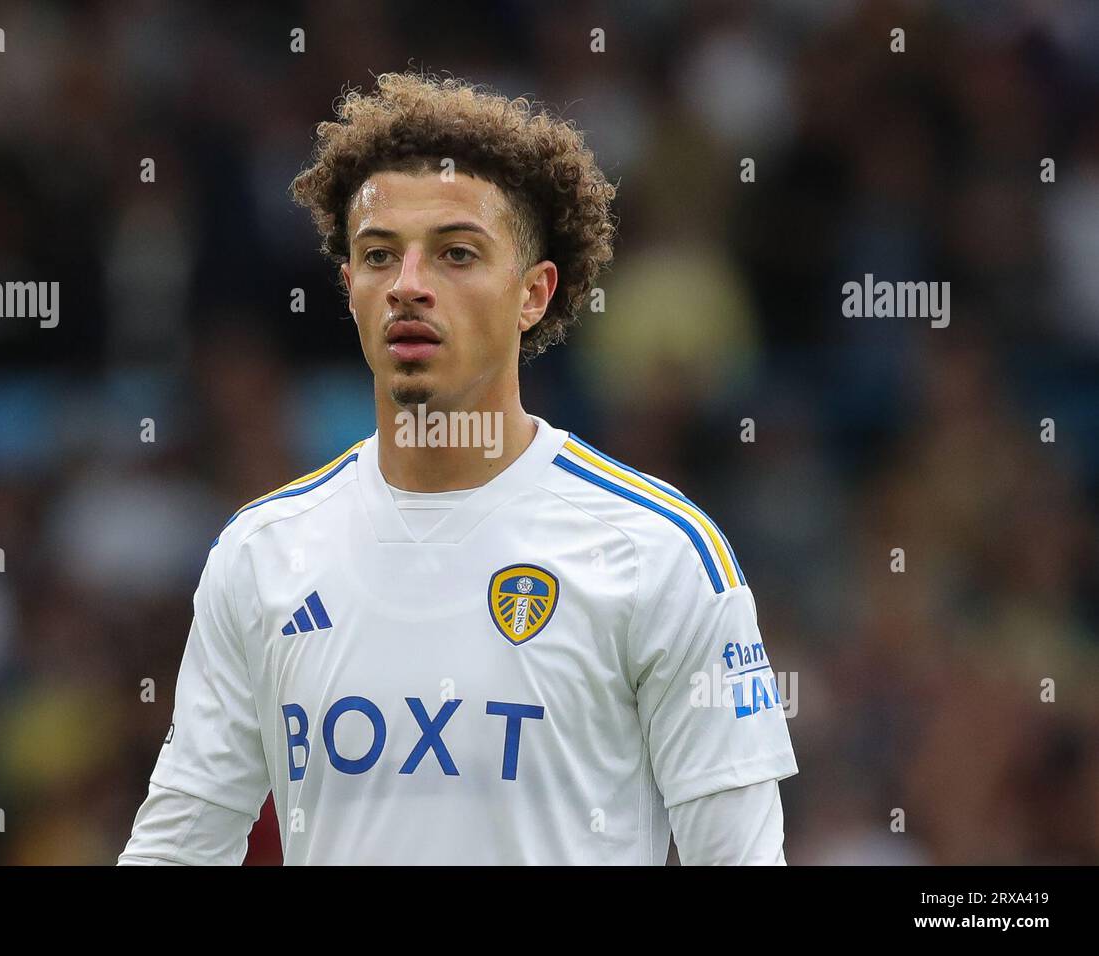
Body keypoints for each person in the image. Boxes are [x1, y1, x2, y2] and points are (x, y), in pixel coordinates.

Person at [119, 71, 796, 865]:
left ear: (534, 293)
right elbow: (177, 848)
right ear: (349, 288)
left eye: (457, 254)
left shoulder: (661, 554)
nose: (409, 286)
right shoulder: (261, 551)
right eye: (379, 256)